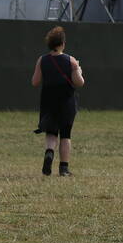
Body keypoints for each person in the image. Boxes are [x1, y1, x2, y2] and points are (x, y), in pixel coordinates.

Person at [30, 26, 84, 176]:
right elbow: (79, 82)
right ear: (62, 44)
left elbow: (35, 81)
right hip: (66, 102)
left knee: (51, 132)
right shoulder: (70, 60)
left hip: (48, 101)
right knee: (65, 134)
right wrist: (78, 70)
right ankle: (64, 168)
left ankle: (49, 152)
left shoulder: (42, 60)